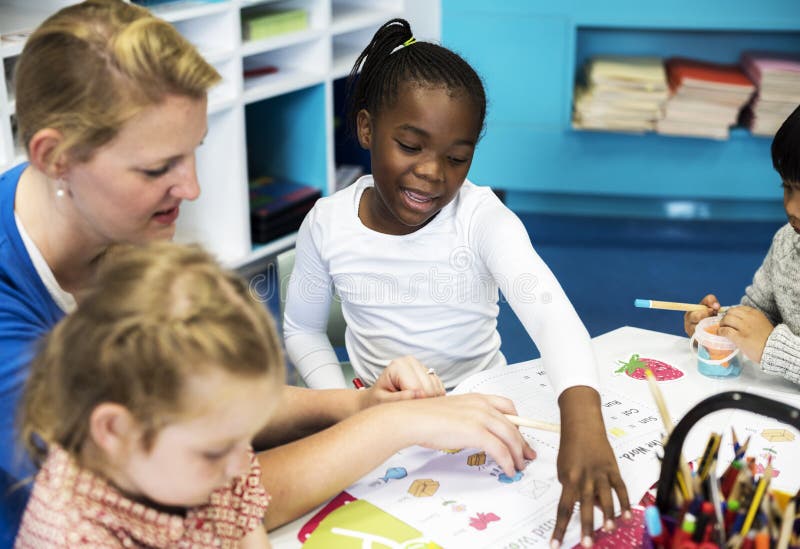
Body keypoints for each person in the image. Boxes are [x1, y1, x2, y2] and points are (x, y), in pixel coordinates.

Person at [0, 0, 533, 541]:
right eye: (158, 168)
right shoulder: (13, 336)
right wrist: (390, 424)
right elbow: (196, 509)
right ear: (55, 157)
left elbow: (191, 396)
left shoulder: (106, 213)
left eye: (193, 154)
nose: (191, 189)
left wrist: (357, 403)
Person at [283, 18, 631, 546]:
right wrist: (344, 410)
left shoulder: (481, 218)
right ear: (366, 129)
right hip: (380, 416)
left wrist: (584, 419)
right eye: (410, 145)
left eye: (456, 157)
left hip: (481, 407)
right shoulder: (326, 223)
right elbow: (303, 331)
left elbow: (553, 318)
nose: (432, 173)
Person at [15, 242, 533, 547]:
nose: (243, 466)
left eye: (246, 438)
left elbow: (243, 520)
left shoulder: (176, 460)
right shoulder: (73, 533)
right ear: (114, 429)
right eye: (218, 449)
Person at [685, 104, 800, 381]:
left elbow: (767, 341)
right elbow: (760, 315)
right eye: (787, 187)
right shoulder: (787, 241)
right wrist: (719, 326)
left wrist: (772, 348)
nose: (793, 208)